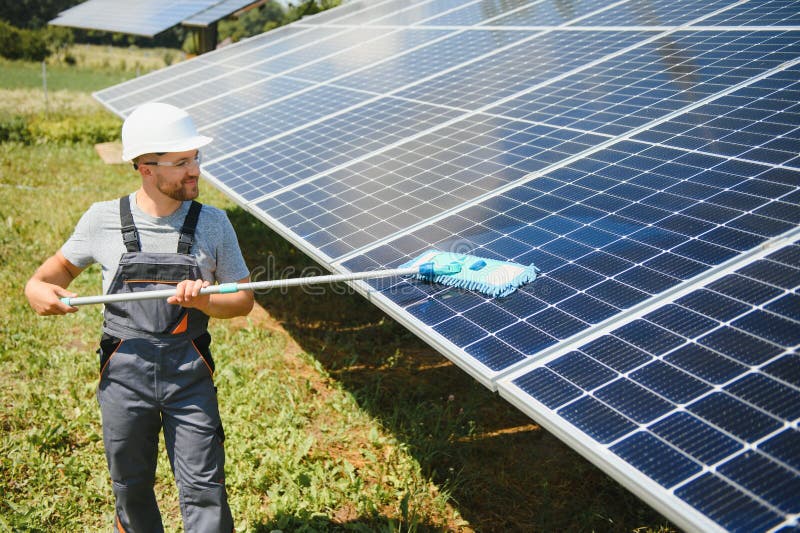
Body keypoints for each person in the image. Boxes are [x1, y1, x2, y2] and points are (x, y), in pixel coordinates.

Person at [24, 102, 254, 532]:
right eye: (182, 162)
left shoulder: (215, 224)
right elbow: (46, 277)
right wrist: (36, 291)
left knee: (205, 487)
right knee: (130, 485)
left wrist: (203, 301)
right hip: (123, 376)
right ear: (146, 167)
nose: (195, 171)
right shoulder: (102, 220)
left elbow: (242, 301)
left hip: (189, 375)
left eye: (196, 158)